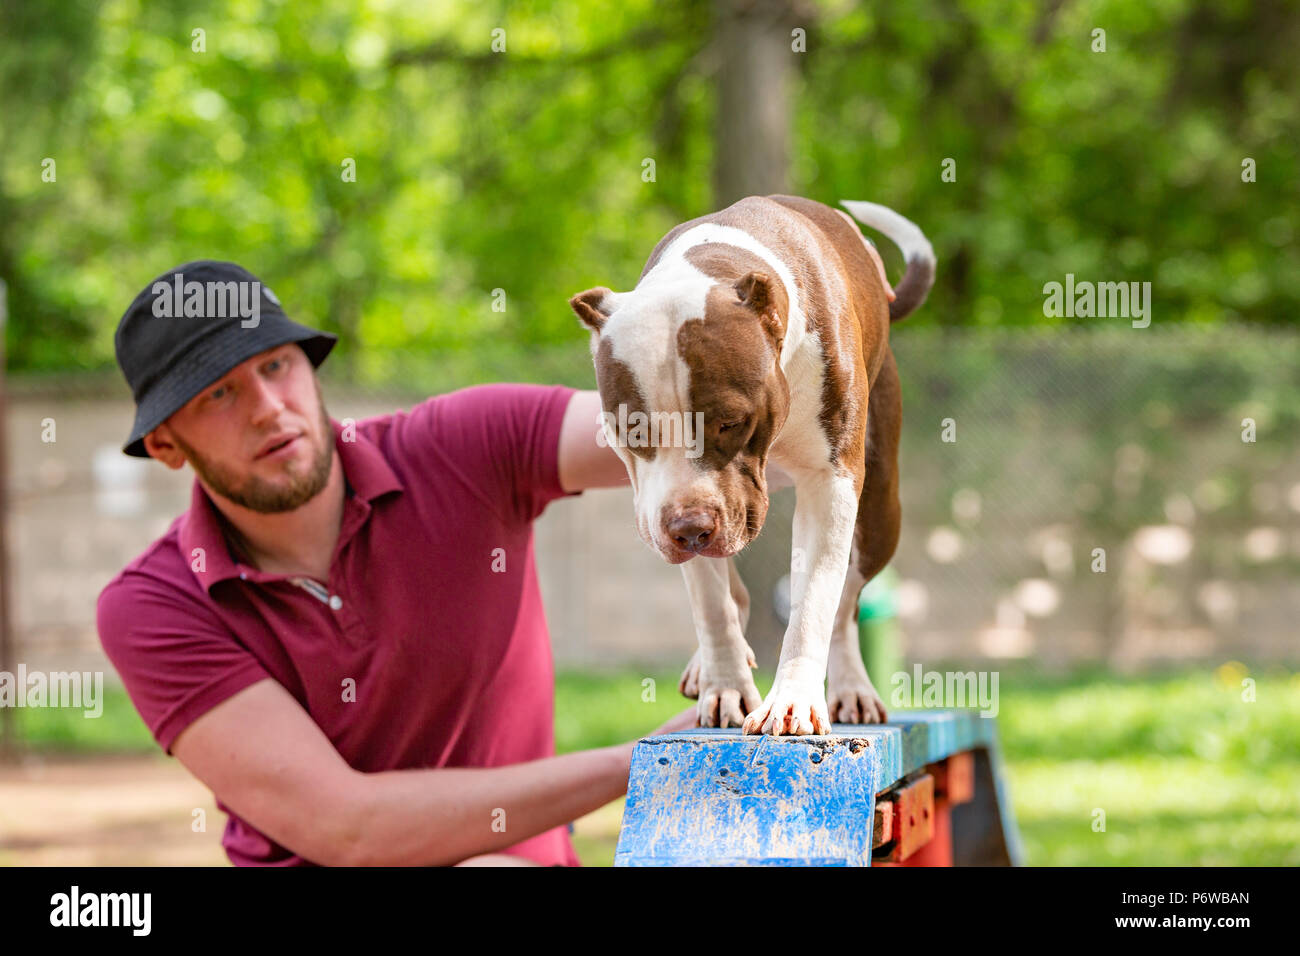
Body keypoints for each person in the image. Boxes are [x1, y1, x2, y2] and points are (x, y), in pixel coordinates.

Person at [95, 260, 696, 867]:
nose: (268, 407)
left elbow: (685, 433)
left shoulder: (461, 446)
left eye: (275, 365)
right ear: (167, 444)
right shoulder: (153, 604)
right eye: (219, 393)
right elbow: (349, 828)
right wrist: (645, 758)